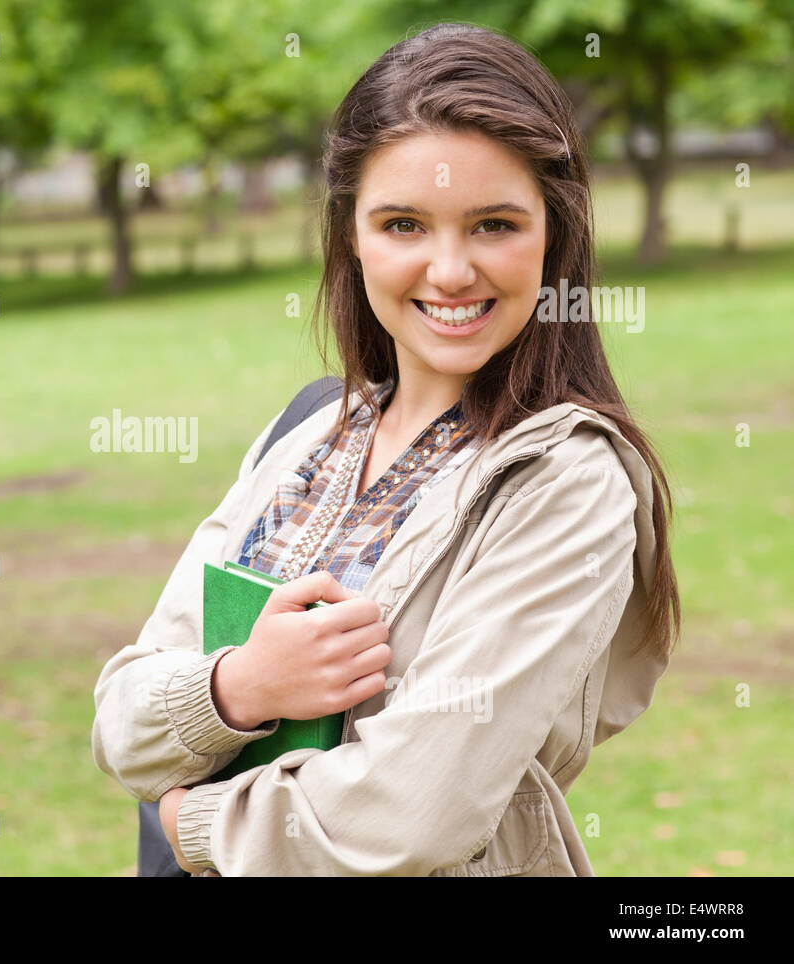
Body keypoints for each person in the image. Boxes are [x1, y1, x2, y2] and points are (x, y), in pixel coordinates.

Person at [91, 22, 681, 876]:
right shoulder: (307, 430)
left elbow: (411, 816)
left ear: (554, 236)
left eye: (493, 225)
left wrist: (192, 822)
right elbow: (121, 720)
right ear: (352, 235)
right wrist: (241, 687)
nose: (449, 271)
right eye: (404, 224)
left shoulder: (568, 481)